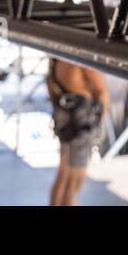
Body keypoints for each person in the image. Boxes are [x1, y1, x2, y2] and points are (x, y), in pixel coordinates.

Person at [46, 58, 109, 206]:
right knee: (74, 181)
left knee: (63, 176)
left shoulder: (57, 62)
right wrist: (100, 120)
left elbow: (51, 92)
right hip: (80, 125)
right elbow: (102, 92)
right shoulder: (80, 61)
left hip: (65, 123)